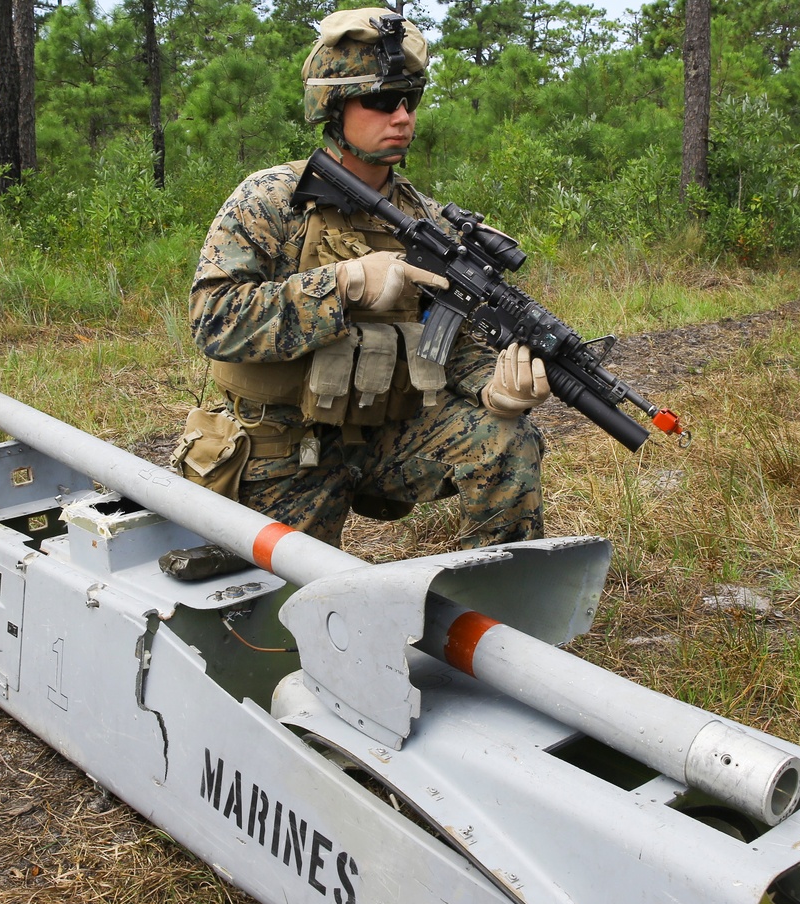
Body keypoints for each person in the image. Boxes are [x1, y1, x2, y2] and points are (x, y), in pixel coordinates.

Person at [179, 7, 549, 550]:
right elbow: (212, 321)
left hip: (382, 431)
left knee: (507, 441)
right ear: (332, 105)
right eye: (380, 101)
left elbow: (452, 338)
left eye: (410, 100)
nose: (402, 117)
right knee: (268, 615)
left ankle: (494, 618)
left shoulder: (426, 220)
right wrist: (345, 284)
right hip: (278, 444)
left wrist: (492, 387)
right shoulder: (272, 199)